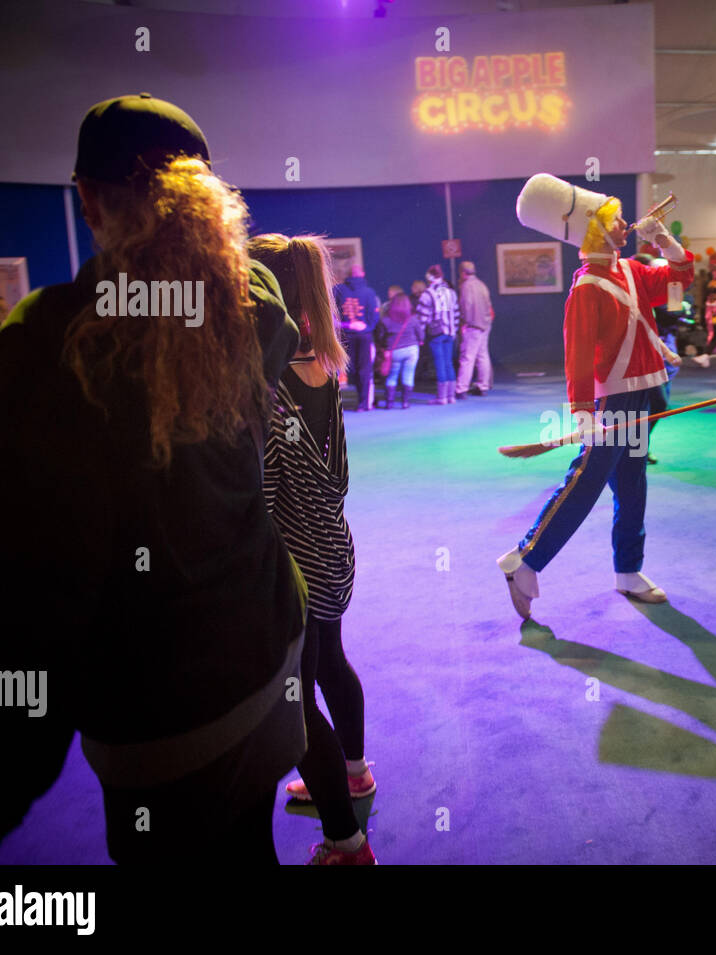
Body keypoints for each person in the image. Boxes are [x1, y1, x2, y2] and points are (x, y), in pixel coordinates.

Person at [0, 94, 307, 864]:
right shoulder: (253, 309)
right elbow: (263, 288)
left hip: (168, 725)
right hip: (272, 664)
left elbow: (29, 595)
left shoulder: (51, 341)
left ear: (86, 200)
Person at [498, 174, 691, 617]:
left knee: (632, 485)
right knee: (584, 485)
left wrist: (666, 242)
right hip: (612, 404)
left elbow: (678, 283)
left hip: (640, 399)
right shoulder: (586, 287)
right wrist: (584, 412)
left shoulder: (630, 270)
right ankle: (524, 559)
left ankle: (628, 570)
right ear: (596, 230)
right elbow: (578, 355)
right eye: (617, 219)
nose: (627, 224)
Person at [249, 234, 374, 866]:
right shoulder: (322, 359)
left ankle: (347, 843)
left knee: (292, 706)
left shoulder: (272, 384)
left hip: (295, 567)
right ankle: (354, 772)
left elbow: (263, 498)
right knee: (331, 665)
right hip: (333, 549)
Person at [333, 263, 380, 411]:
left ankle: (337, 404)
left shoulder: (338, 290)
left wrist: (345, 325)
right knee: (364, 369)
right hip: (364, 335)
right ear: (363, 274)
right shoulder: (369, 292)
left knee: (347, 368)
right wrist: (367, 327)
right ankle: (364, 403)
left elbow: (331, 312)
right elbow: (374, 315)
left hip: (345, 335)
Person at [417, 265, 458, 405]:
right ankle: (451, 396)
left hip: (436, 333)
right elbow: (456, 313)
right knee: (449, 363)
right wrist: (455, 330)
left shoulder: (427, 294)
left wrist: (420, 335)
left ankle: (442, 398)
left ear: (430, 276)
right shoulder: (451, 293)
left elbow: (422, 317)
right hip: (450, 332)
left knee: (440, 364)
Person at [455, 259, 494, 398]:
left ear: (463, 272)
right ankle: (483, 386)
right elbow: (489, 305)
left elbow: (466, 305)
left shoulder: (466, 286)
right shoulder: (482, 285)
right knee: (483, 356)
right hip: (485, 325)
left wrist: (464, 323)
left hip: (472, 326)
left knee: (468, 357)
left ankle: (461, 388)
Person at [375, 292, 421, 409]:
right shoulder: (413, 319)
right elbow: (420, 335)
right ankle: (405, 402)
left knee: (392, 376)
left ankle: (389, 402)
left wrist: (384, 347)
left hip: (394, 351)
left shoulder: (385, 320)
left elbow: (380, 337)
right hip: (411, 350)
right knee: (408, 375)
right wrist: (420, 340)